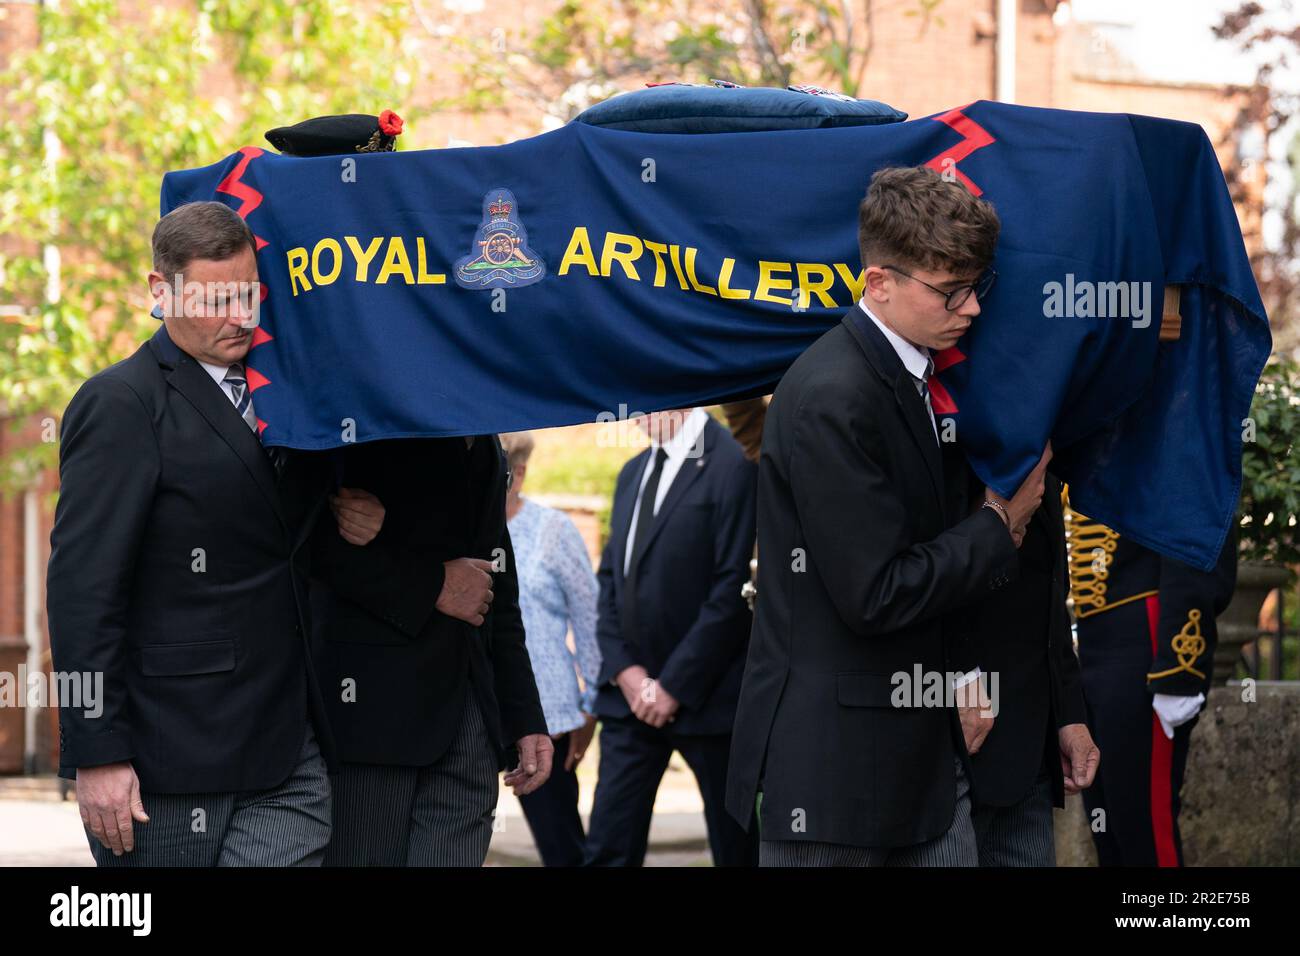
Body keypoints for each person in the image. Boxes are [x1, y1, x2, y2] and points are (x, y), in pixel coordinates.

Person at [726, 165, 1050, 866]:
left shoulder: (903, 377)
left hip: (913, 771)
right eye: (950, 290)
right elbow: (875, 592)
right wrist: (998, 524)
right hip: (837, 783)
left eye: (977, 286)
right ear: (879, 283)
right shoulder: (835, 394)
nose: (972, 309)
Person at [47, 200, 384, 866]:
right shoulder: (120, 404)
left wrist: (354, 514)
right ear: (158, 291)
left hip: (289, 748)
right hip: (166, 761)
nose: (240, 316)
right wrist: (98, 754)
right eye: (216, 298)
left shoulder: (287, 393)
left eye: (248, 295)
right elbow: (83, 592)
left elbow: (280, 542)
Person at [308, 434, 552, 867]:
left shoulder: (488, 435)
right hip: (375, 722)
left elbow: (499, 585)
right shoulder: (358, 413)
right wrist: (431, 586)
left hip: (471, 722)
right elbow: (305, 543)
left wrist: (525, 716)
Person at [584, 408, 759, 866]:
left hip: (710, 700)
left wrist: (673, 686)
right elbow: (608, 584)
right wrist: (626, 672)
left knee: (736, 849)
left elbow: (735, 589)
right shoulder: (632, 472)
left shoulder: (736, 462)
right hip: (630, 702)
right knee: (607, 846)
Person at [1069, 511, 1236, 866]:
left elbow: (1192, 512)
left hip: (1145, 636)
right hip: (1095, 641)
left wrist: (1178, 666)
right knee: (1108, 828)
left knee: (1143, 831)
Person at [499, 431, 602, 866]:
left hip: (548, 716)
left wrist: (591, 705)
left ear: (518, 473)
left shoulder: (553, 530)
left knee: (562, 847)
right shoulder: (456, 531)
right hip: (472, 709)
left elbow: (590, 618)